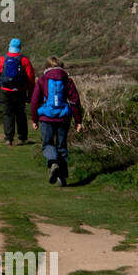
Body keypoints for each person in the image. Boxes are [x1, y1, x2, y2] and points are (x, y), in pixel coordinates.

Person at [29, 56, 84, 187]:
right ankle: (62, 176)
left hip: (46, 118)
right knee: (62, 146)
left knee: (48, 144)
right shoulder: (67, 80)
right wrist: (78, 120)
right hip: (63, 117)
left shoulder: (42, 80)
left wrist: (34, 119)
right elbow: (75, 101)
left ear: (47, 67)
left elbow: (35, 101)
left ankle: (53, 162)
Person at [0, 37, 36, 146]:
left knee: (7, 114)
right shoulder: (24, 60)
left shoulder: (2, 59)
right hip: (20, 91)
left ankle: (9, 139)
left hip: (5, 91)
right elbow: (31, 78)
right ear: (19, 48)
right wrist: (30, 92)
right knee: (20, 114)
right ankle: (22, 138)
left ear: (9, 47)